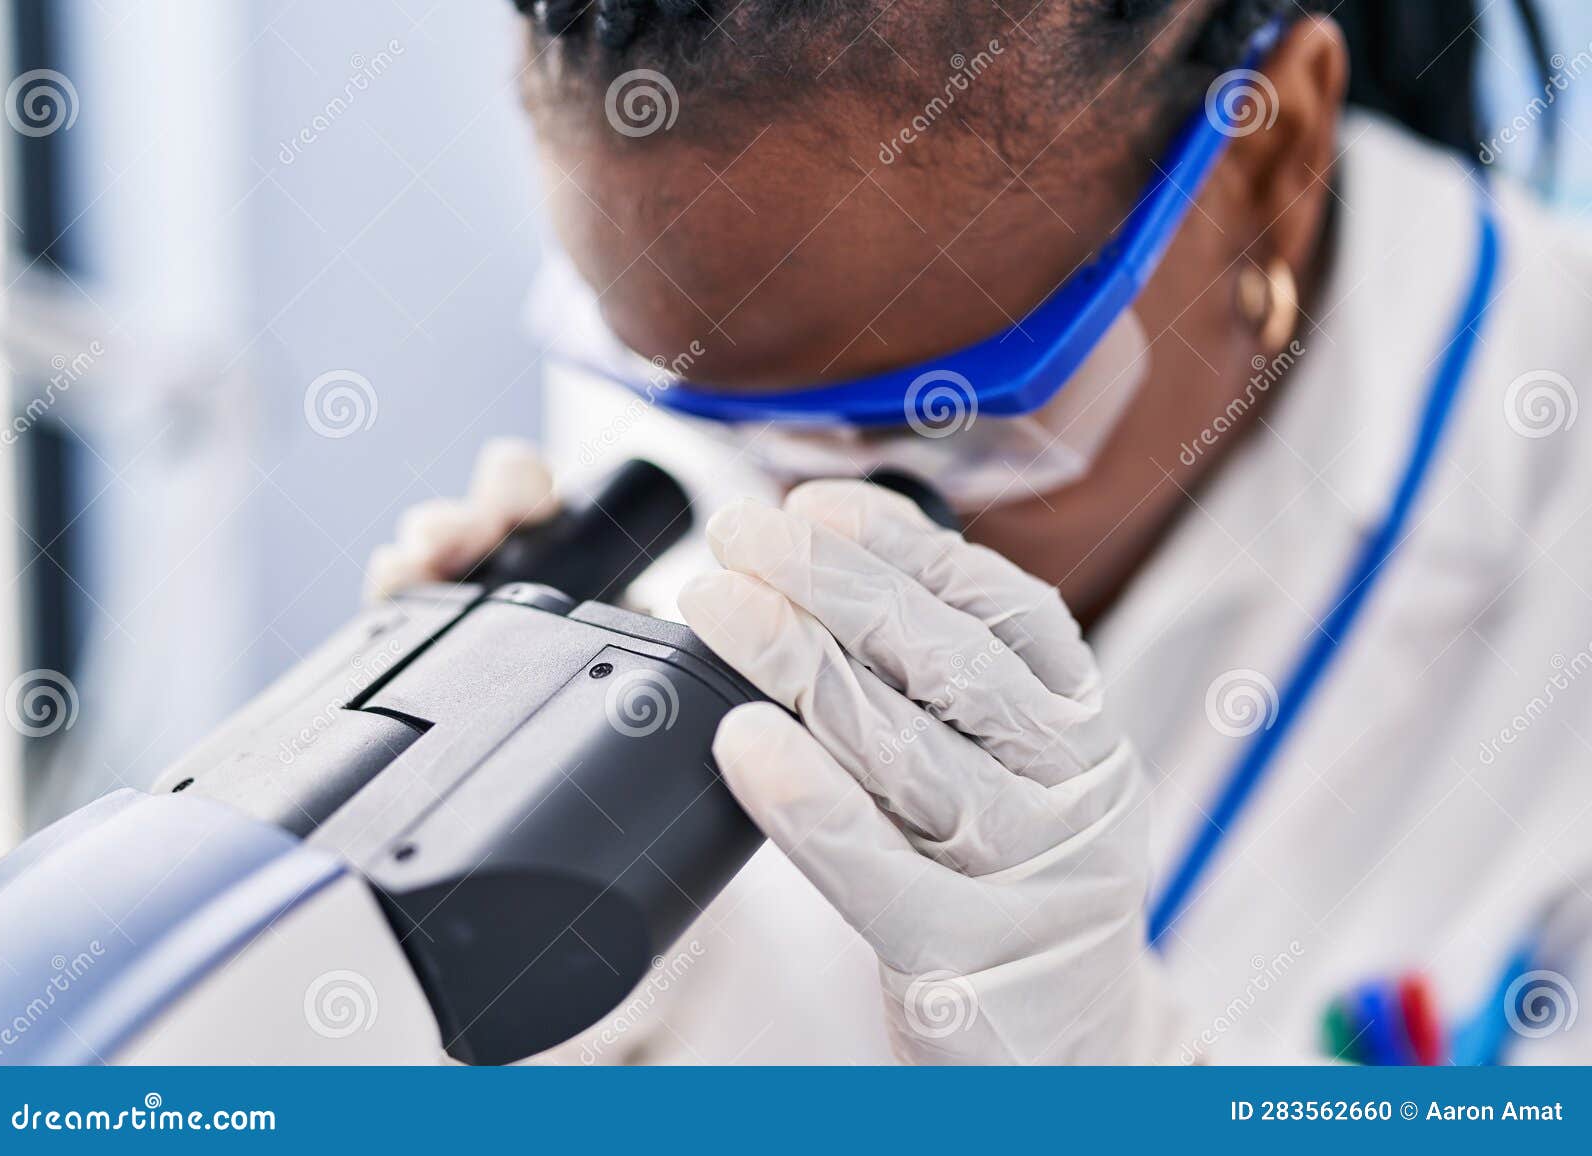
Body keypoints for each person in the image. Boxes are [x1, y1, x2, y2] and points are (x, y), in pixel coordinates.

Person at [367, 0, 1592, 1064]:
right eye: (709, 411)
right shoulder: (720, 273)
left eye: (946, 427)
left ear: (1268, 164)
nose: (809, 508)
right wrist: (577, 1005)